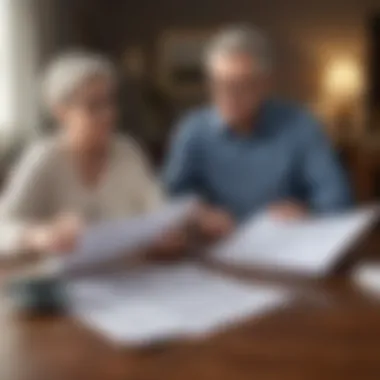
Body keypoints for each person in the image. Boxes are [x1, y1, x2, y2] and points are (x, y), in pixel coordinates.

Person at [0, 51, 188, 257]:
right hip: (61, 281)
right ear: (61, 111)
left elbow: (158, 211)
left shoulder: (127, 151)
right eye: (94, 105)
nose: (108, 114)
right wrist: (39, 235)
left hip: (129, 275)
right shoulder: (44, 157)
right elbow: (4, 228)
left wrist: (169, 232)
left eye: (110, 102)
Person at [163, 25, 352, 225]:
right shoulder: (192, 130)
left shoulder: (301, 125)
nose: (229, 96)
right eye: (220, 84)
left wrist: (307, 213)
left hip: (285, 245)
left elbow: (337, 199)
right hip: (214, 248)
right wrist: (198, 214)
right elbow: (166, 199)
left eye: (241, 85)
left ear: (265, 84)